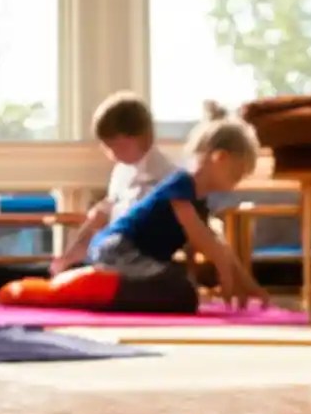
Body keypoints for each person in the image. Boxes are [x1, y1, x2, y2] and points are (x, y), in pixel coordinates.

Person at [82, 101, 270, 313]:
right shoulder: (180, 186)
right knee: (182, 292)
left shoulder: (197, 199)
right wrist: (223, 271)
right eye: (237, 175)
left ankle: (104, 288)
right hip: (117, 251)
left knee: (180, 289)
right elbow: (201, 238)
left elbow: (219, 245)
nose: (236, 184)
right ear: (221, 159)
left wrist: (249, 285)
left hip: (137, 260)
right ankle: (100, 290)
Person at [50, 91, 175, 275]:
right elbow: (104, 213)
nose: (112, 154)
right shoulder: (121, 171)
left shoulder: (164, 175)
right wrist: (70, 254)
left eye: (118, 146)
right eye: (107, 147)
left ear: (143, 138)